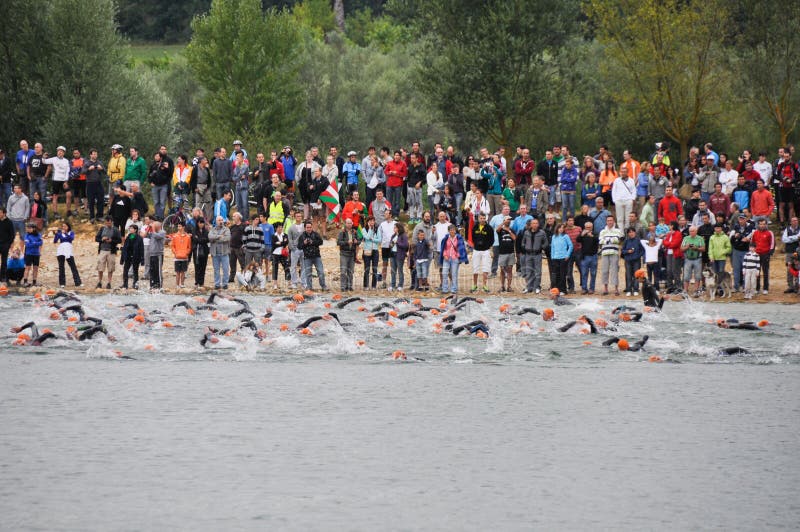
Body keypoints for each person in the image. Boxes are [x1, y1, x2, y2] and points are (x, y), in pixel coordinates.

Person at [519, 218, 547, 294]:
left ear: (538, 224)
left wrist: (541, 247)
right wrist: (525, 247)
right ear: (530, 225)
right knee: (529, 271)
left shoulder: (542, 233)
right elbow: (523, 242)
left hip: (537, 254)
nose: (534, 225)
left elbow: (545, 243)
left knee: (537, 271)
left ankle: (537, 287)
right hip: (528, 255)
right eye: (533, 223)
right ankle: (529, 287)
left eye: (536, 223)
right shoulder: (526, 232)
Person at [43, 146, 71, 221]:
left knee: (68, 194)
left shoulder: (66, 161)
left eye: (61, 151)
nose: (59, 152)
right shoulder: (53, 159)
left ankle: (68, 211)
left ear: (64, 153)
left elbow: (67, 171)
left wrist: (66, 181)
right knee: (55, 196)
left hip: (63, 180)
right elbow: (44, 161)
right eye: (58, 151)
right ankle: (55, 212)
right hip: (55, 180)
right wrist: (44, 157)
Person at [439, 224, 468, 294]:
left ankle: (454, 289)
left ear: (455, 231)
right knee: (444, 273)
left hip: (455, 259)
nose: (452, 231)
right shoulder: (446, 238)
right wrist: (444, 255)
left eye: (453, 230)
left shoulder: (459, 238)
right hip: (446, 258)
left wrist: (458, 256)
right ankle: (445, 289)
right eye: (451, 230)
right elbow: (444, 248)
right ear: (448, 231)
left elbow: (461, 248)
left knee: (454, 274)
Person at [298, 221, 327, 290]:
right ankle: (309, 288)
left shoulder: (315, 234)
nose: (309, 229)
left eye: (310, 227)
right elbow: (299, 246)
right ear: (305, 228)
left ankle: (323, 286)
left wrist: (313, 242)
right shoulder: (302, 236)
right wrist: (304, 243)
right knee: (308, 273)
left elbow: (321, 242)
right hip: (307, 257)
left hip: (316, 256)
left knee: (321, 272)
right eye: (307, 227)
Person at [598, 215, 623, 295]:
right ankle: (605, 289)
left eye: (611, 220)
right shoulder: (602, 231)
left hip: (614, 252)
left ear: (613, 221)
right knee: (605, 271)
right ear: (606, 221)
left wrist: (607, 240)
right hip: (605, 253)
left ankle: (616, 289)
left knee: (614, 271)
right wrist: (611, 240)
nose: (609, 222)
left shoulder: (618, 231)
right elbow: (601, 241)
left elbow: (617, 240)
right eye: (608, 220)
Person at [95, 216, 122, 289]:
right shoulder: (102, 229)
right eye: (107, 223)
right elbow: (96, 238)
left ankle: (109, 282)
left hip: (111, 251)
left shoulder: (116, 230)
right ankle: (100, 282)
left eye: (109, 223)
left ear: (112, 222)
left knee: (110, 268)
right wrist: (102, 239)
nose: (108, 224)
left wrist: (111, 241)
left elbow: (119, 240)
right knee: (100, 267)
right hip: (102, 250)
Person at [53, 221, 81, 288]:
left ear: (68, 227)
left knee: (73, 266)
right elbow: (55, 241)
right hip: (61, 250)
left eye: (65, 226)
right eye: (63, 226)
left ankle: (78, 282)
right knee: (61, 266)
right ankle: (62, 283)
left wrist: (65, 233)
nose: (64, 227)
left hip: (68, 249)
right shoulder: (60, 233)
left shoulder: (71, 232)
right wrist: (56, 234)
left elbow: (71, 238)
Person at [337, 218, 361, 292]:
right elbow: (338, 242)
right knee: (343, 271)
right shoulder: (342, 232)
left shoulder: (355, 232)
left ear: (352, 224)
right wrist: (347, 242)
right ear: (345, 224)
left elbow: (359, 241)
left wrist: (356, 242)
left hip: (352, 254)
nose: (349, 224)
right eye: (348, 223)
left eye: (350, 223)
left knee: (350, 271)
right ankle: (343, 287)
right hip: (344, 254)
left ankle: (349, 286)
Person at [470, 213, 493, 292]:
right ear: (478, 219)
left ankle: (484, 285)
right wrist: (476, 244)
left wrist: (487, 246)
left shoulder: (489, 228)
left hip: (485, 250)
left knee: (485, 268)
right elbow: (473, 238)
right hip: (476, 250)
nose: (482, 220)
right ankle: (475, 285)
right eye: (481, 218)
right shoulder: (475, 227)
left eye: (484, 218)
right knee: (475, 268)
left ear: (486, 218)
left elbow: (492, 240)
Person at [751, 218, 774, 294]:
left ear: (766, 225)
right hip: (756, 255)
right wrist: (753, 253)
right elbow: (752, 243)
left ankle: (765, 288)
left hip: (765, 254)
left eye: (764, 224)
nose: (762, 225)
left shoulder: (769, 233)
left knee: (765, 272)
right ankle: (757, 288)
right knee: (757, 272)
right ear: (758, 225)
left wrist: (769, 253)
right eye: (760, 224)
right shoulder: (755, 233)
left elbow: (772, 244)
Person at [681, 224, 705, 295]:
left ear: (696, 231)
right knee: (686, 275)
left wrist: (696, 248)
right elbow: (681, 249)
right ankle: (685, 290)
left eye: (693, 231)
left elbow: (703, 249)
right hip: (688, 259)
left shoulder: (700, 238)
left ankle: (696, 290)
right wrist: (687, 247)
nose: (691, 232)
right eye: (690, 231)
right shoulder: (686, 238)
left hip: (697, 259)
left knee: (697, 275)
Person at [550, 223, 574, 293]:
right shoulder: (554, 236)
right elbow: (552, 247)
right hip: (555, 258)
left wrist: (567, 255)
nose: (561, 229)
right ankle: (557, 289)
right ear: (557, 228)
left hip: (563, 258)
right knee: (556, 274)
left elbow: (570, 246)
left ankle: (563, 290)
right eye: (560, 228)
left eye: (562, 228)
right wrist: (552, 257)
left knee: (562, 274)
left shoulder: (565, 236)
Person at [82, 149, 105, 222]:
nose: (95, 155)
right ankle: (92, 217)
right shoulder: (87, 163)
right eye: (93, 154)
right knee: (91, 201)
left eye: (96, 154)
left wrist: (101, 169)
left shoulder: (99, 162)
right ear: (90, 155)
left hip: (98, 183)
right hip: (90, 183)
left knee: (101, 200)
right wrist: (89, 169)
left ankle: (100, 216)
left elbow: (105, 171)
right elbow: (82, 172)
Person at [209, 216, 231, 289]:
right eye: (219, 220)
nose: (221, 221)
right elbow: (210, 237)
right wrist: (219, 236)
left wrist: (215, 238)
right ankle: (217, 284)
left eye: (221, 220)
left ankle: (225, 284)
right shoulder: (212, 229)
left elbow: (227, 238)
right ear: (216, 221)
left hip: (224, 253)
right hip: (215, 253)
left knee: (225, 269)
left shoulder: (227, 229)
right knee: (216, 270)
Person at [120, 223, 144, 290]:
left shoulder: (139, 238)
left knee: (135, 271)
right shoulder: (128, 237)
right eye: (130, 228)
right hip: (128, 256)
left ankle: (135, 285)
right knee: (125, 271)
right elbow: (125, 248)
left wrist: (142, 259)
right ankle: (125, 284)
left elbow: (141, 249)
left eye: (131, 228)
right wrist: (122, 259)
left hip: (136, 257)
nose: (130, 229)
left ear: (135, 230)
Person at [621, 227, 644, 296]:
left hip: (636, 260)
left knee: (636, 275)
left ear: (635, 233)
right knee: (628, 275)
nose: (631, 233)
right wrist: (627, 251)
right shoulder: (626, 241)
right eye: (630, 232)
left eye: (632, 232)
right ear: (628, 234)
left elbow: (642, 250)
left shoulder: (638, 241)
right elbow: (622, 250)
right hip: (628, 260)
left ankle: (636, 289)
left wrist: (638, 256)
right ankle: (628, 289)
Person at [170, 221, 192, 288]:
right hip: (177, 257)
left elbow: (189, 247)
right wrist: (175, 253)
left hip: (184, 257)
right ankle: (177, 285)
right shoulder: (175, 236)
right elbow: (172, 246)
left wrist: (186, 253)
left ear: (183, 227)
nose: (178, 227)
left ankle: (182, 284)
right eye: (178, 226)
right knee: (177, 272)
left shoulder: (188, 237)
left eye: (179, 226)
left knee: (183, 272)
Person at [361, 216, 381, 290]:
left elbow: (379, 239)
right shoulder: (364, 229)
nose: (372, 222)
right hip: (367, 250)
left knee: (375, 268)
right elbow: (366, 237)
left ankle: (374, 286)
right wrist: (369, 229)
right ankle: (366, 285)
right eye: (370, 221)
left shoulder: (377, 229)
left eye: (373, 221)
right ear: (367, 222)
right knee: (367, 268)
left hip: (375, 250)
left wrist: (372, 239)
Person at [287, 210, 305, 289]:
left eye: (300, 216)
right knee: (293, 266)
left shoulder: (305, 226)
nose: (299, 218)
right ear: (294, 217)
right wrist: (293, 248)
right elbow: (289, 239)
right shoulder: (291, 227)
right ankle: (294, 281)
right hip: (295, 248)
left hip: (303, 249)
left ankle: (303, 281)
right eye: (297, 216)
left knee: (303, 265)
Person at [378, 210, 396, 289]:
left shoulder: (395, 223)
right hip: (384, 246)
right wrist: (381, 242)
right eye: (384, 214)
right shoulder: (382, 224)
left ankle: (393, 282)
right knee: (384, 264)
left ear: (390, 215)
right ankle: (384, 282)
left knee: (393, 265)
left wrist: (394, 242)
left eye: (386, 214)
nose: (385, 215)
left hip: (393, 247)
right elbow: (379, 235)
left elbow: (398, 234)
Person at [781, 217, 800, 293]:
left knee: (797, 269)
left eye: (796, 220)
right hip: (789, 252)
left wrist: (789, 238)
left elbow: (788, 239)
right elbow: (784, 239)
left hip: (798, 252)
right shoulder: (787, 229)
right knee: (789, 269)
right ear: (790, 222)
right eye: (793, 221)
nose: (795, 222)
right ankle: (790, 286)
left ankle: (797, 287)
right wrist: (795, 238)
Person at [22, 223, 42, 287]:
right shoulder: (26, 235)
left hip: (36, 254)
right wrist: (36, 243)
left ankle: (34, 282)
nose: (27, 229)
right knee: (27, 267)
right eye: (27, 228)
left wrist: (33, 243)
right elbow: (27, 245)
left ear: (33, 228)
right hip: (29, 254)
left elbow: (41, 243)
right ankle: (25, 281)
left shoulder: (38, 235)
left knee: (36, 268)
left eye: (29, 228)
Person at [191, 218, 210, 288]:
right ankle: (197, 282)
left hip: (205, 251)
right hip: (197, 251)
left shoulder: (206, 231)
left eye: (202, 223)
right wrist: (201, 239)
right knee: (197, 267)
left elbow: (207, 239)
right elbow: (195, 239)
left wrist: (199, 239)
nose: (201, 224)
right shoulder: (194, 230)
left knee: (203, 267)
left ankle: (202, 282)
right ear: (197, 223)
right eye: (200, 223)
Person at [270, 222, 290, 289]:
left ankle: (287, 282)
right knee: (275, 268)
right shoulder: (273, 236)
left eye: (281, 227)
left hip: (283, 253)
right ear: (276, 228)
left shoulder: (285, 235)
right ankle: (275, 283)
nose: (280, 228)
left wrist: (279, 243)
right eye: (279, 227)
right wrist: (282, 243)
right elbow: (274, 244)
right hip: (275, 253)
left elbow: (286, 242)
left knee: (286, 267)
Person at [227, 212, 245, 284]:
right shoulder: (232, 227)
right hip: (232, 247)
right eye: (233, 216)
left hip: (239, 247)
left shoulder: (243, 226)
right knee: (232, 264)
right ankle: (231, 278)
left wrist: (243, 245)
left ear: (239, 217)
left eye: (234, 216)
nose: (233, 217)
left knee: (243, 264)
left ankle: (244, 277)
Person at [148, 221, 166, 290]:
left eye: (154, 225)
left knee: (158, 271)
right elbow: (145, 236)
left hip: (158, 255)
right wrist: (148, 229)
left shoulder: (162, 232)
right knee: (152, 271)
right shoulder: (153, 232)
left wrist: (152, 228)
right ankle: (152, 286)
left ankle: (159, 286)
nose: (152, 226)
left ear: (158, 226)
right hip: (152, 254)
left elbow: (156, 236)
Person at [0, 207, 14, 283]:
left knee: (4, 261)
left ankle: (3, 277)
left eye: (0, 212)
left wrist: (8, 244)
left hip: (5, 244)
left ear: (4, 213)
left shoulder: (9, 222)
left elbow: (12, 234)